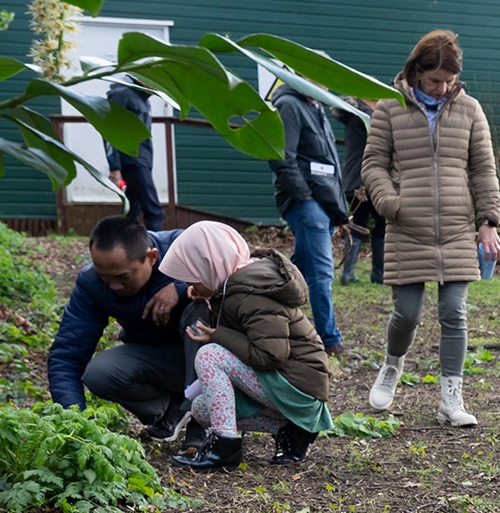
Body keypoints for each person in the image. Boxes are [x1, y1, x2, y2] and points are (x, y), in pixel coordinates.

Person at [363, 29, 500, 427]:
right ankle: (392, 365)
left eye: (449, 81)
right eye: (434, 81)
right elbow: (373, 163)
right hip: (408, 226)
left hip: (458, 228)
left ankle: (450, 398)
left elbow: (483, 168)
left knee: (454, 312)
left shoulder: (470, 110)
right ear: (416, 73)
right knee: (406, 313)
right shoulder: (389, 108)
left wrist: (488, 221)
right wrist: (391, 203)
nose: (443, 88)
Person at [160, 222, 333, 473]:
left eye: (194, 278)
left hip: (299, 386)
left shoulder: (252, 293)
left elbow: (270, 355)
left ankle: (224, 449)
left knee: (209, 355)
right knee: (201, 407)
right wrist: (211, 301)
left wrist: (218, 336)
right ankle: (288, 430)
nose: (191, 286)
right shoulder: (234, 286)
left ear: (210, 267)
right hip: (283, 384)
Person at [47, 215, 200, 446]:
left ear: (151, 257)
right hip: (158, 358)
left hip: (207, 358)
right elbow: (67, 355)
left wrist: (181, 285)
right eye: (104, 276)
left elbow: (232, 271)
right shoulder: (91, 285)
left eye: (122, 277)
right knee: (99, 373)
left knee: (201, 310)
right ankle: (171, 406)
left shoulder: (186, 247)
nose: (114, 286)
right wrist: (74, 424)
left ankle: (205, 426)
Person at [268, 80, 350, 356]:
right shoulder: (289, 105)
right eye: (321, 81)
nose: (327, 87)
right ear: (305, 79)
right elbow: (281, 157)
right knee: (321, 273)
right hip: (308, 203)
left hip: (323, 202)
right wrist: (305, 197)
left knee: (299, 269)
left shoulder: (313, 106)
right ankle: (330, 341)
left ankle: (269, 317)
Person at [333, 97, 386, 286]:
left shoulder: (351, 116)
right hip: (371, 180)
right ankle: (379, 273)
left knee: (357, 226)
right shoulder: (374, 118)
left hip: (352, 179)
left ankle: (348, 273)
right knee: (381, 225)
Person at [104, 79, 164, 232]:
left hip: (143, 160)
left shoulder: (144, 98)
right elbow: (109, 130)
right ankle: (156, 252)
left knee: (132, 213)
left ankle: (121, 249)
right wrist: (115, 167)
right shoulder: (121, 93)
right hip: (132, 161)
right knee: (154, 211)